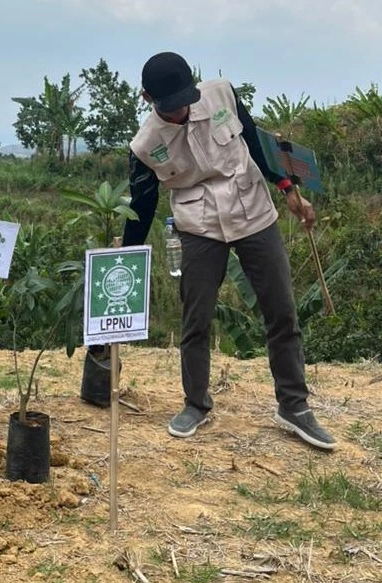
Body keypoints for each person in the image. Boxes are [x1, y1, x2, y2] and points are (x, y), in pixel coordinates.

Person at [122, 51, 335, 450]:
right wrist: (126, 252)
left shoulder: (221, 94)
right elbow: (141, 206)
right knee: (196, 317)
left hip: (252, 211)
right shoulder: (145, 145)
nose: (181, 112)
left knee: (281, 311)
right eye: (170, 107)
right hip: (198, 225)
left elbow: (255, 142)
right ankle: (196, 404)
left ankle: (294, 405)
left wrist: (287, 190)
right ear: (147, 98)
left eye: (186, 99)